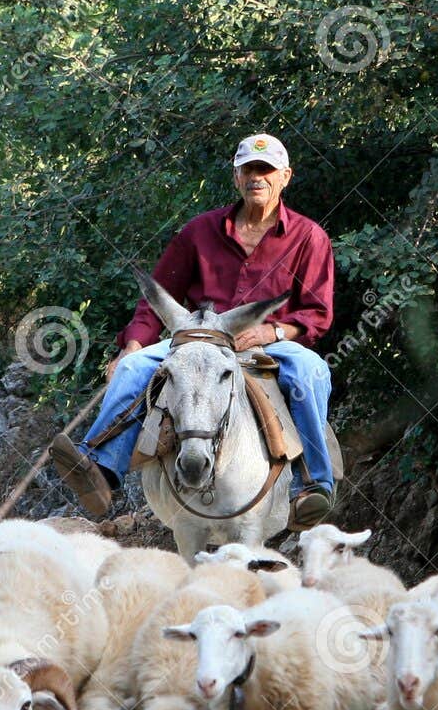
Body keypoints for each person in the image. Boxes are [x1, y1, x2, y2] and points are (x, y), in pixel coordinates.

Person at [50, 133, 337, 528]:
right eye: (249, 169)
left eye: (266, 170)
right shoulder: (198, 232)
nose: (257, 177)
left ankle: (311, 486)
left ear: (285, 176)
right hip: (197, 337)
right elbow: (158, 296)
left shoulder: (309, 237)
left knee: (311, 372)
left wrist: (272, 333)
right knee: (133, 370)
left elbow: (318, 314)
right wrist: (133, 344)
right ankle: (100, 469)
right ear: (236, 177)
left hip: (268, 341)